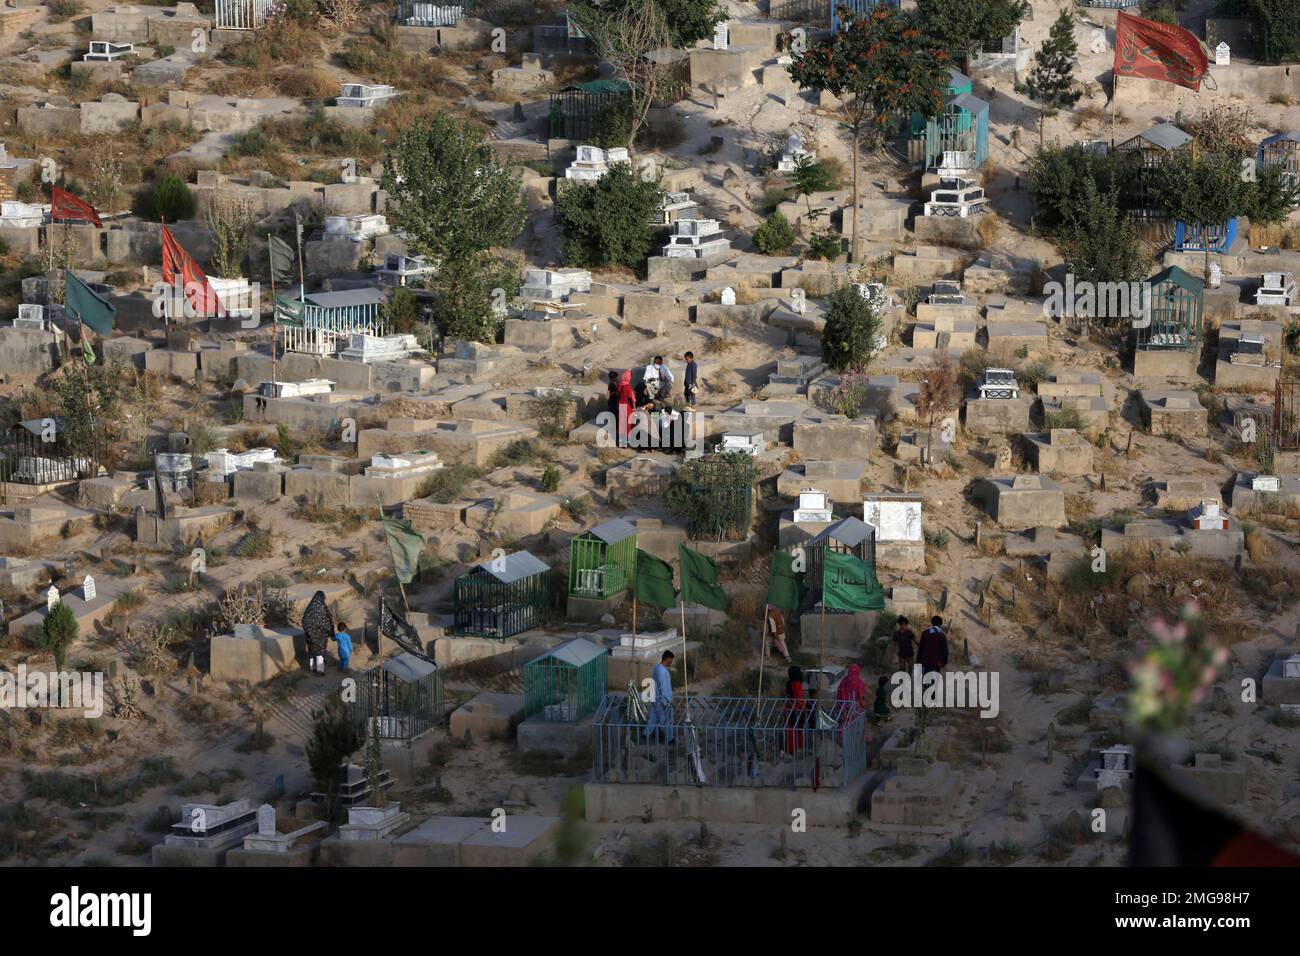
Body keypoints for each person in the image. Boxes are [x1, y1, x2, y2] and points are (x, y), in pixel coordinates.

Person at [644, 650, 675, 744]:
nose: (672, 662)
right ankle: (670, 739)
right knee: (667, 721)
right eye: (671, 660)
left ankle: (644, 736)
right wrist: (666, 702)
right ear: (668, 659)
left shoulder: (656, 668)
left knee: (653, 720)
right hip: (663, 701)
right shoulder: (662, 671)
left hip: (655, 699)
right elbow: (664, 687)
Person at [301, 590, 333, 674]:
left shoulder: (309, 608)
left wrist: (309, 631)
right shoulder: (322, 608)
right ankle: (319, 670)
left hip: (310, 636)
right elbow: (326, 622)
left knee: (312, 651)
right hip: (321, 636)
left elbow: (304, 621)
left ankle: (312, 668)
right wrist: (330, 632)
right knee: (320, 652)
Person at [783, 665, 808, 757]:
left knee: (790, 731)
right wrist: (805, 709)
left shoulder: (789, 683)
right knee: (798, 731)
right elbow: (799, 698)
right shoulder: (797, 684)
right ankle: (797, 749)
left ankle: (790, 749)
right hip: (797, 709)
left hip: (789, 709)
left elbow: (786, 695)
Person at [615, 369, 636, 445]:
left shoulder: (619, 385)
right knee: (627, 424)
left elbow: (617, 395)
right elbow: (630, 398)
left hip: (620, 405)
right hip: (627, 406)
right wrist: (633, 407)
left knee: (622, 423)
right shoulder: (627, 386)